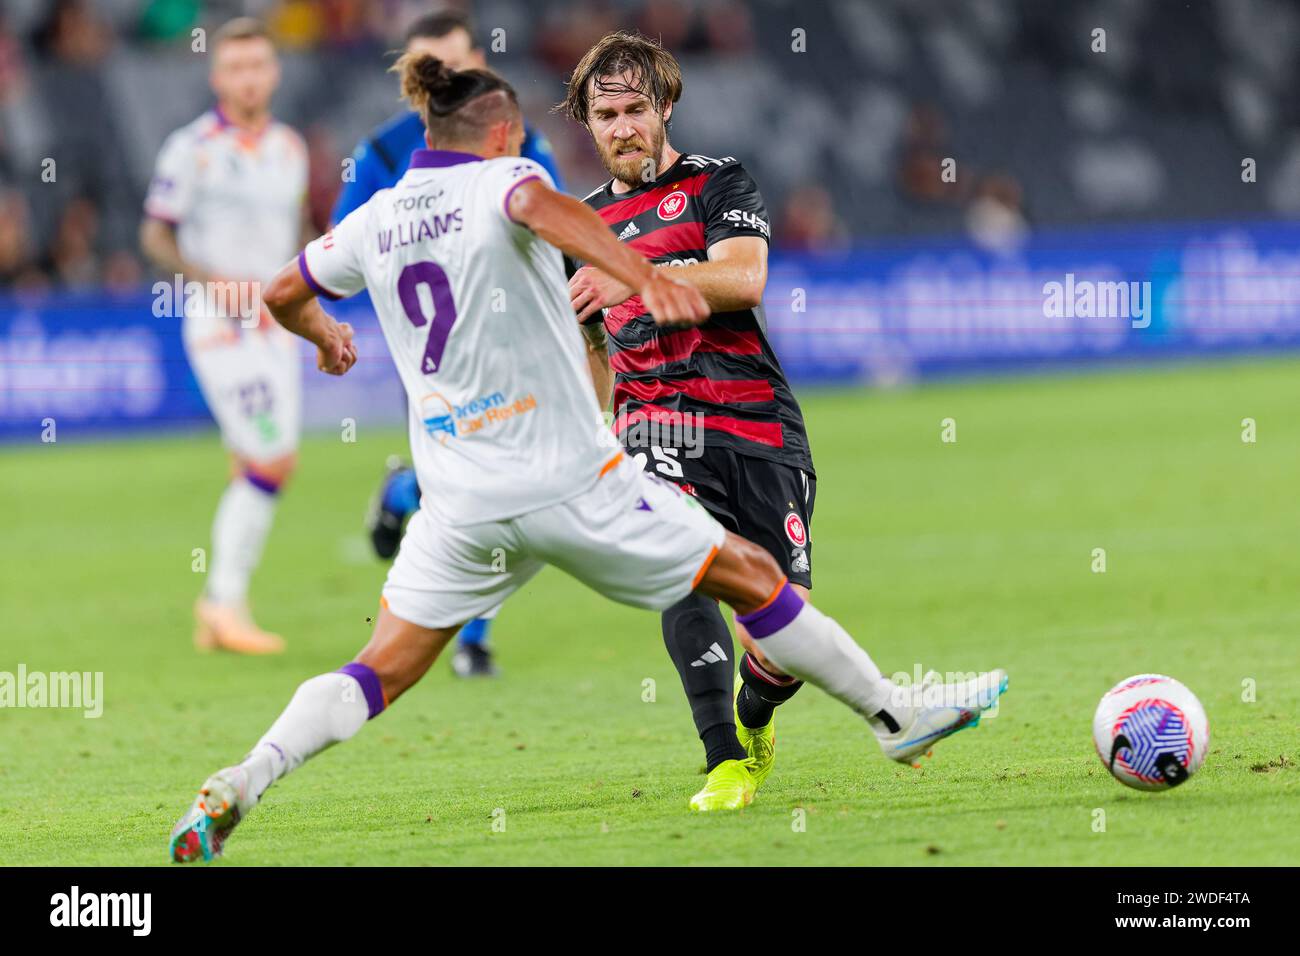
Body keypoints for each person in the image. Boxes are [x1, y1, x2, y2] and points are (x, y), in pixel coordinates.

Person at [167, 54, 1007, 862]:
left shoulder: (376, 216)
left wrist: (327, 335)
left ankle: (247, 775)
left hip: (459, 505)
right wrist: (644, 274)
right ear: (498, 133)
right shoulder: (507, 182)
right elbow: (546, 210)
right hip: (567, 479)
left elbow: (283, 291)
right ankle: (893, 719)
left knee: (377, 669)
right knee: (749, 574)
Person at [561, 32, 814, 810]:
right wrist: (602, 424)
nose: (622, 128)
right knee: (679, 555)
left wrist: (632, 274)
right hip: (654, 427)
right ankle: (721, 757)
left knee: (786, 640)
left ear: (665, 108)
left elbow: (745, 278)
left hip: (756, 422)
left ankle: (754, 711)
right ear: (589, 123)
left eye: (636, 109)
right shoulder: (577, 225)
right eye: (605, 114)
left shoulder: (716, 182)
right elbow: (589, 337)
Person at [335, 9, 564, 679]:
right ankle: (463, 636)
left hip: (511, 336)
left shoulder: (517, 140)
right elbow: (342, 237)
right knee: (479, 480)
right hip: (432, 349)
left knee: (500, 474)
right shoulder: (380, 152)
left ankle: (406, 496)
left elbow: (559, 218)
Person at [140, 17, 308, 655]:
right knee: (272, 459)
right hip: (221, 325)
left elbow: (295, 237)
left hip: (276, 323)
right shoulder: (192, 148)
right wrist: (213, 281)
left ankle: (221, 610)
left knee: (260, 461)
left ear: (274, 72)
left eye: (258, 65)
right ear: (217, 77)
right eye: (235, 68)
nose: (248, 78)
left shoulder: (289, 148)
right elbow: (156, 234)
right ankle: (221, 601)